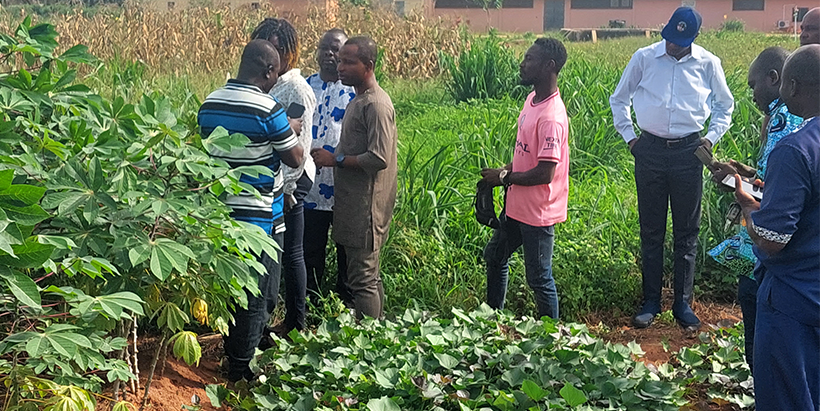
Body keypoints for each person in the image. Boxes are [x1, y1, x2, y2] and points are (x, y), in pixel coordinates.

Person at [609, 7, 734, 330]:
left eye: (680, 41)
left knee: (686, 232)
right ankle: (651, 301)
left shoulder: (708, 63)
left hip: (689, 152)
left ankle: (682, 303)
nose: (673, 46)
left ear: (694, 38)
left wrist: (709, 140)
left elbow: (725, 105)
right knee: (651, 229)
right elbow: (619, 99)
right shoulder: (644, 58)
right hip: (648, 149)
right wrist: (630, 139)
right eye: (670, 39)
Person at [197, 39, 303, 382]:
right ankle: (240, 369)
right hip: (258, 220)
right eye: (276, 73)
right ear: (268, 71)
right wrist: (292, 130)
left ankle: (237, 354)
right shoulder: (268, 109)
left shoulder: (210, 102)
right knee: (259, 295)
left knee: (232, 292)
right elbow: (295, 157)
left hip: (220, 216)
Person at [733, 44, 820, 411]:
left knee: (787, 397)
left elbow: (772, 240)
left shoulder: (794, 148)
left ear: (793, 86)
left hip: (792, 303)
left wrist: (750, 208)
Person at [707, 47, 802, 370]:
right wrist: (746, 175)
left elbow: (775, 198)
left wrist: (739, 189)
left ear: (776, 79)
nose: (752, 95)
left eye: (753, 86)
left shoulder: (783, 122)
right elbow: (777, 179)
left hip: (770, 250)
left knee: (762, 340)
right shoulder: (795, 121)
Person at [479, 38, 569, 320]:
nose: (522, 64)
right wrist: (502, 173)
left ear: (549, 66)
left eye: (529, 59)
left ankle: (552, 338)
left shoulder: (552, 116)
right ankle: (493, 320)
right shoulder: (532, 100)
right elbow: (527, 154)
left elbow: (545, 172)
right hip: (518, 206)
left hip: (538, 213)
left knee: (539, 278)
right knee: (495, 257)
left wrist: (503, 178)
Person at [311, 36, 398, 320]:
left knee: (362, 280)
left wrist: (334, 159)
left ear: (368, 66)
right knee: (368, 277)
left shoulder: (376, 105)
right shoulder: (359, 99)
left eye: (349, 61)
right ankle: (379, 334)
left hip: (367, 208)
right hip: (355, 204)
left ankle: (367, 345)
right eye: (341, 60)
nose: (340, 66)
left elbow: (378, 157)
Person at [251, 18, 317, 332]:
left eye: (276, 49)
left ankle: (295, 323)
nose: (271, 56)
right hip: (271, 178)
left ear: (288, 52)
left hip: (293, 178)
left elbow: (300, 146)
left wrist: (288, 188)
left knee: (291, 251)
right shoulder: (267, 81)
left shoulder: (295, 88)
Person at [304, 28, 356, 307]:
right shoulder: (304, 86)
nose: (329, 54)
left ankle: (344, 303)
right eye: (325, 48)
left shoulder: (353, 92)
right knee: (310, 247)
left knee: (345, 247)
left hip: (342, 184)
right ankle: (311, 301)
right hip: (309, 185)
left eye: (336, 50)